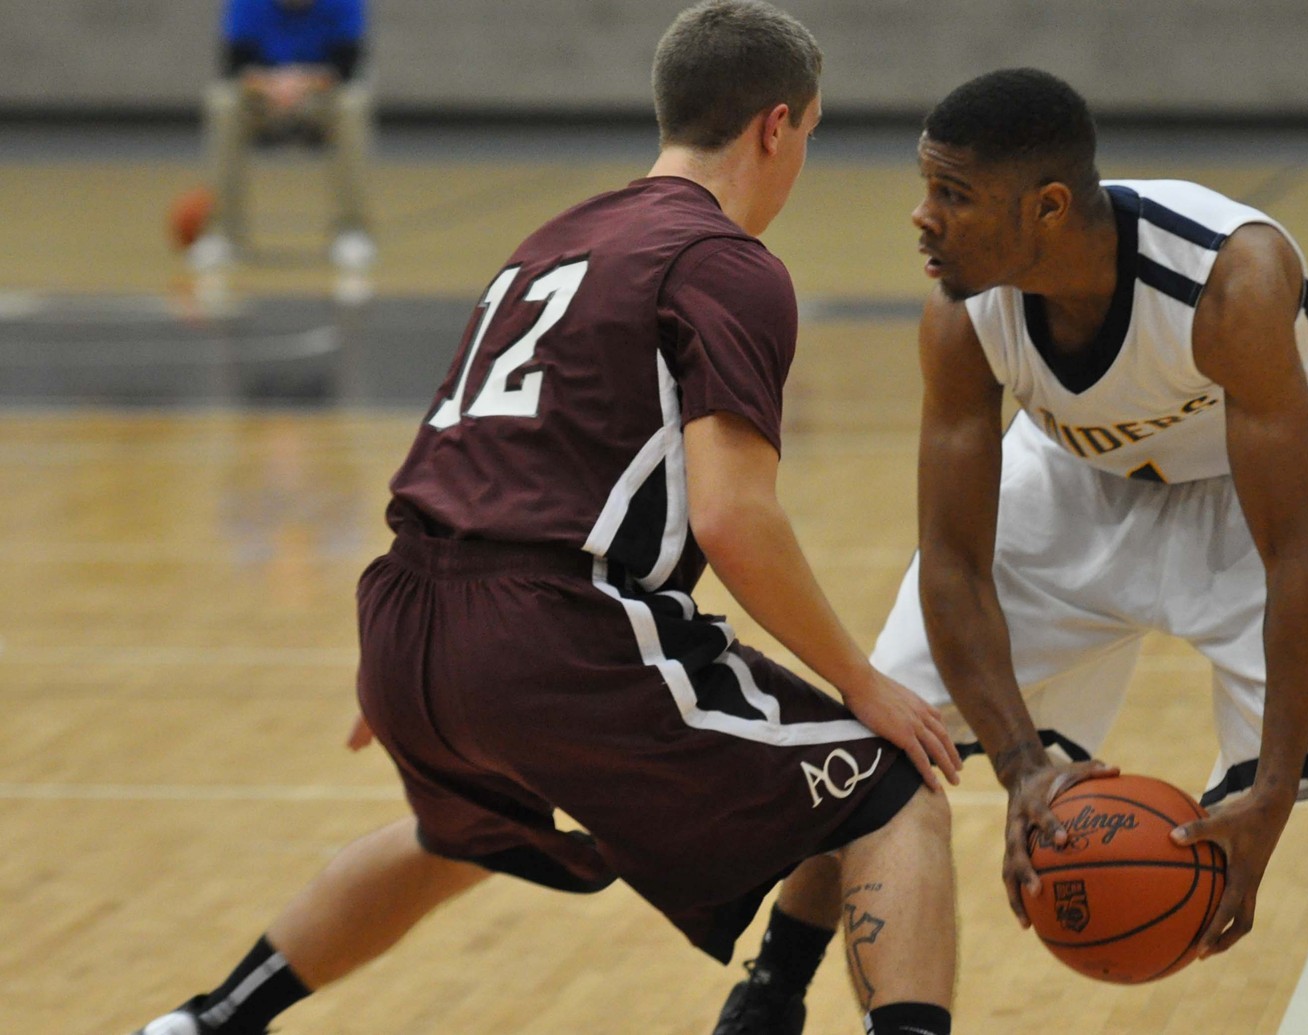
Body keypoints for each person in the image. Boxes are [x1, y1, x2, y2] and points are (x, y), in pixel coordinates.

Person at [127, 5, 965, 1035]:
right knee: (891, 788)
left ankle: (203, 1025)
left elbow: (452, 448)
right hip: (553, 636)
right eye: (813, 136)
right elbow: (734, 517)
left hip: (410, 617)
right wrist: (863, 679)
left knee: (460, 837)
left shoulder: (554, 239)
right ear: (775, 126)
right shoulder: (726, 263)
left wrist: (413, 667)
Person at [711, 68, 1308, 1035]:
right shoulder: (964, 312)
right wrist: (1021, 764)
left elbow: (1296, 554)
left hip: (1278, 490)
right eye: (927, 190)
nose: (922, 219)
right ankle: (772, 988)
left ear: (1046, 207)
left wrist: (1273, 794)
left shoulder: (1228, 278)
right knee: (887, 731)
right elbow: (953, 560)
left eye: (951, 196)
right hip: (1081, 476)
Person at [189, 0, 375, 272]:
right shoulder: (246, 4)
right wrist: (271, 85)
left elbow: (347, 65)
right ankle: (223, 234)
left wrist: (301, 83)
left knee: (353, 104)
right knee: (223, 102)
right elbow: (233, 63)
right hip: (262, 97)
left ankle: (352, 230)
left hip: (319, 97)